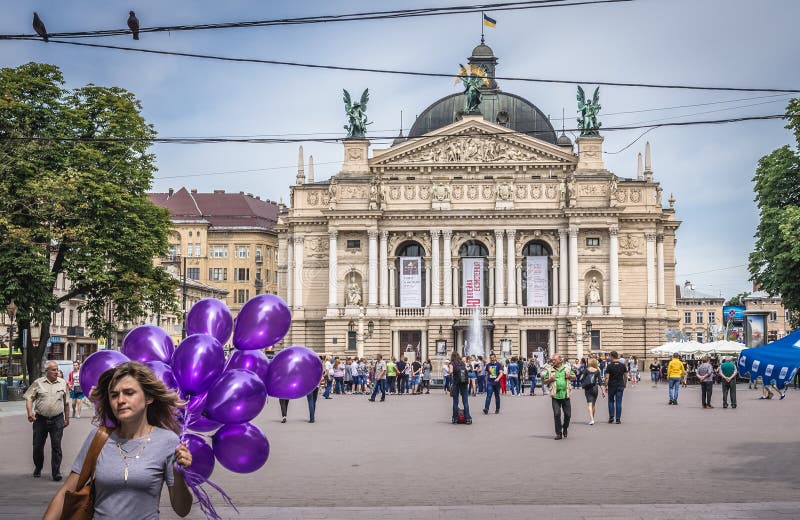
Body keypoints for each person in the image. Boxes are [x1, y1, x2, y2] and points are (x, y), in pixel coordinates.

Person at [43, 361, 192, 519]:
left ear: (148, 397)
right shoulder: (98, 438)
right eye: (114, 395)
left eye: (129, 393)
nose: (120, 400)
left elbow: (182, 510)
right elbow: (65, 493)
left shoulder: (167, 441)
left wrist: (178, 473)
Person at [24, 361, 70, 481]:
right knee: (38, 446)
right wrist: (30, 412)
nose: (57, 372)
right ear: (47, 371)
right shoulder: (38, 383)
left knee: (56, 446)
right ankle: (38, 467)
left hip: (57, 419)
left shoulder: (62, 383)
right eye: (54, 370)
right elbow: (29, 398)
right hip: (40, 420)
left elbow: (66, 403)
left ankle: (56, 472)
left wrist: (67, 418)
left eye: (57, 369)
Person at [541, 354, 575, 440]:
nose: (552, 361)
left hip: (566, 395)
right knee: (557, 414)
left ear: (560, 360)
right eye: (552, 360)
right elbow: (544, 381)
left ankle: (565, 428)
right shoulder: (550, 369)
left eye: (554, 360)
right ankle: (558, 433)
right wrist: (550, 380)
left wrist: (569, 376)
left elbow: (574, 376)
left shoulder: (567, 368)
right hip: (555, 395)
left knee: (568, 415)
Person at [604, 351, 628, 424]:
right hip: (620, 385)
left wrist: (605, 385)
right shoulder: (623, 365)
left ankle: (611, 417)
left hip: (611, 385)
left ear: (612, 356)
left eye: (609, 356)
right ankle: (618, 419)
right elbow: (626, 376)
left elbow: (607, 377)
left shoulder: (609, 365)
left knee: (611, 401)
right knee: (619, 402)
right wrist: (625, 384)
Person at [449, 352, 472, 424]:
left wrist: (447, 368)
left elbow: (450, 372)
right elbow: (466, 370)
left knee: (455, 402)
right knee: (465, 401)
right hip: (464, 383)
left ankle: (455, 419)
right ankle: (468, 418)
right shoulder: (462, 363)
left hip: (456, 383)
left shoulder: (452, 363)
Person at [582, 358, 605, 425]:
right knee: (593, 404)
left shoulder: (586, 370)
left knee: (589, 404)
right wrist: (603, 391)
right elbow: (600, 382)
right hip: (595, 388)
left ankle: (591, 419)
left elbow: (582, 378)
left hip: (588, 388)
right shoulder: (597, 371)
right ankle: (592, 418)